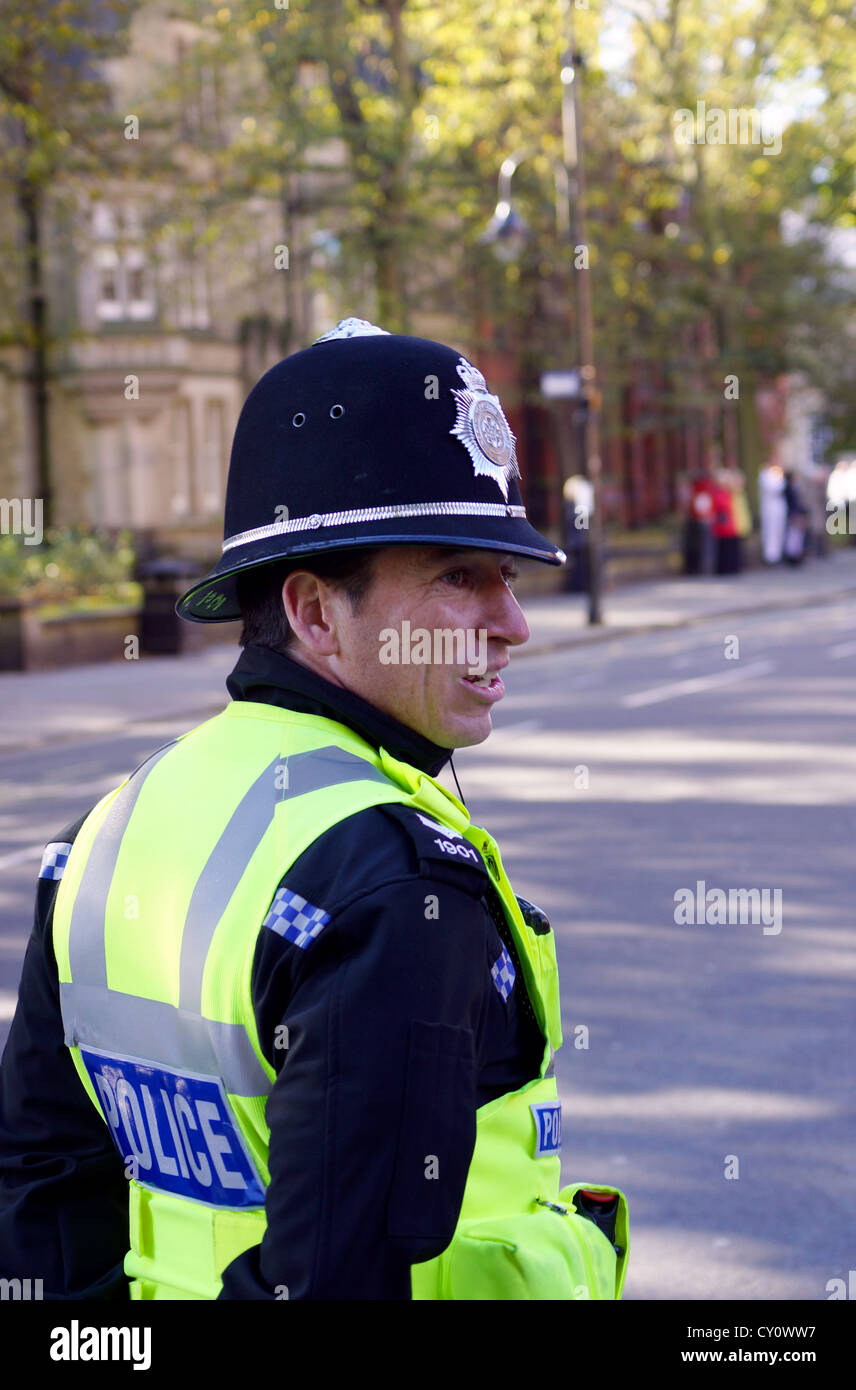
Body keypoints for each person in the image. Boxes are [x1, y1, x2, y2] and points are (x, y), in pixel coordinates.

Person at [0, 318, 629, 1301]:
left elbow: (41, 1201)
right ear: (314, 612)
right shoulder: (397, 885)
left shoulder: (107, 832)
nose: (510, 623)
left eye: (504, 576)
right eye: (457, 576)